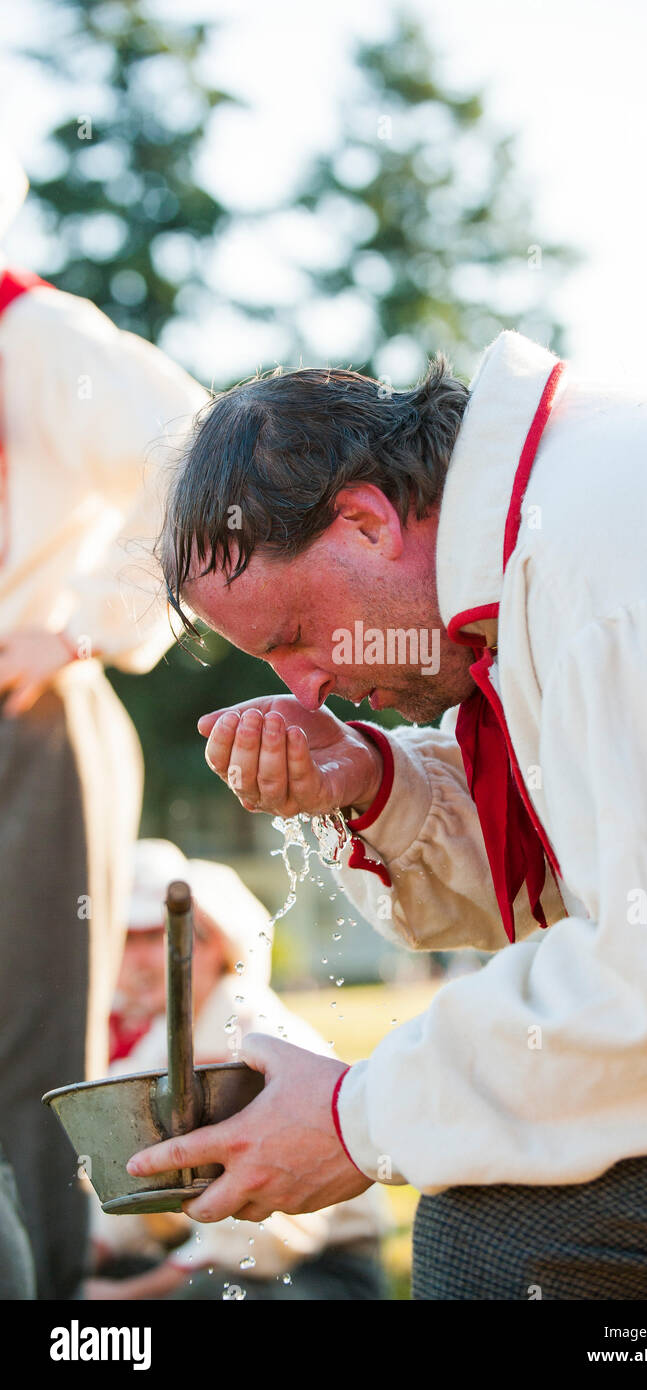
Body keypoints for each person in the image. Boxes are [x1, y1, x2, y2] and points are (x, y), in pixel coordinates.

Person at [128, 332, 647, 1300]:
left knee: (511, 1242)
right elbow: (624, 849)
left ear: (366, 522)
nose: (306, 691)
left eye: (295, 636)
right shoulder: (570, 515)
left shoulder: (610, 572)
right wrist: (370, 779)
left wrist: (355, 1115)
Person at [0, 151, 208, 1298]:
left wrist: (77, 626)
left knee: (26, 1048)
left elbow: (192, 445)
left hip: (24, 720)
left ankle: (42, 1300)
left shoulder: (38, 337)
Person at [84, 840, 387, 1301]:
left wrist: (132, 1294)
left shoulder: (259, 1037)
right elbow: (134, 1175)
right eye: (126, 939)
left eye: (157, 936)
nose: (140, 961)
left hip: (318, 1270)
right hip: (199, 1254)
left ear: (217, 945)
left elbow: (273, 1235)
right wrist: (93, 1250)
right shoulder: (160, 1042)